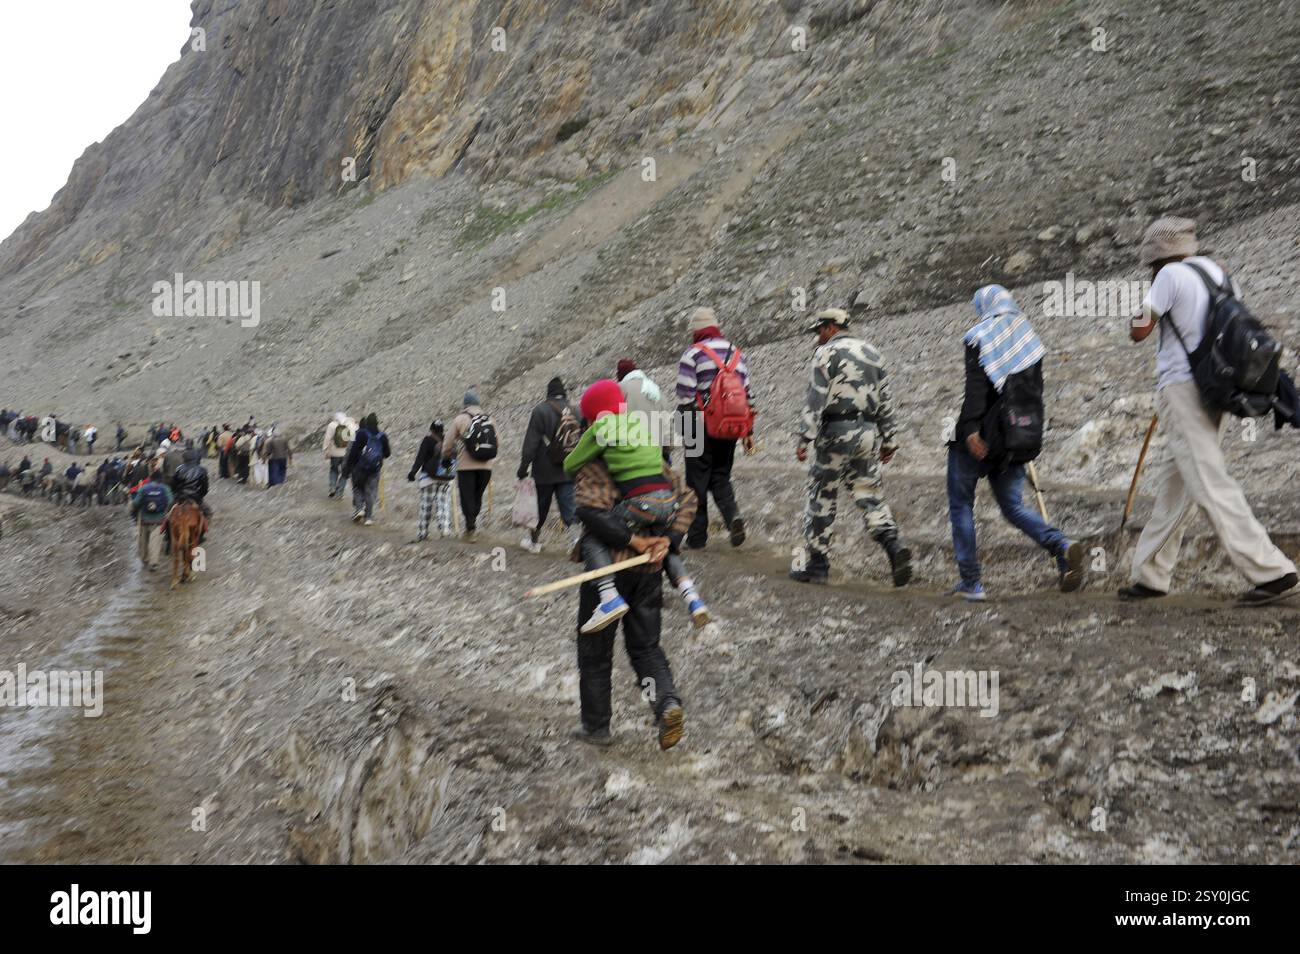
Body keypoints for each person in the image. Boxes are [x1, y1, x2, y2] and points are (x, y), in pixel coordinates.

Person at [1121, 216, 1297, 605]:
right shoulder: (1218, 273)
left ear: (1156, 256)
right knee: (1175, 486)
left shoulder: (1169, 276)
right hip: (1212, 388)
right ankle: (1150, 575)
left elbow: (1138, 330)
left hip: (1182, 389)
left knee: (1209, 482)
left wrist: (1141, 307)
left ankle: (1272, 571)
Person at [947, 287, 1084, 601]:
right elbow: (1031, 395)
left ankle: (971, 582)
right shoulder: (1029, 339)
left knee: (961, 505)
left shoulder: (979, 336)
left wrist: (969, 430)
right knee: (1013, 507)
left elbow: (976, 390)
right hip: (1017, 438)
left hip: (979, 437)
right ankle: (1061, 545)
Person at [569, 439, 696, 750]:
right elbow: (688, 499)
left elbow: (589, 512)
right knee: (645, 649)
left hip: (607, 575)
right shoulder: (653, 463)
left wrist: (633, 541)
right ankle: (665, 704)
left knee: (595, 652)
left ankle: (596, 728)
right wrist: (668, 539)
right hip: (648, 574)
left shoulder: (597, 465)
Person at [565, 379, 710, 632]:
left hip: (640, 504)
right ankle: (692, 596)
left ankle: (609, 597)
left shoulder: (600, 427)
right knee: (661, 538)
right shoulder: (642, 426)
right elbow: (662, 465)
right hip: (666, 501)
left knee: (592, 538)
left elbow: (570, 465)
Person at [790, 308, 912, 587]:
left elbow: (815, 398)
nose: (818, 336)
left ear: (832, 327)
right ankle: (893, 546)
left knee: (822, 495)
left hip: (835, 432)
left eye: (820, 329)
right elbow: (886, 399)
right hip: (868, 434)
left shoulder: (826, 354)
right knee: (869, 494)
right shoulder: (873, 352)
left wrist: (804, 438)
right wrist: (890, 439)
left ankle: (818, 566)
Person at [675, 306, 755, 549]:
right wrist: (748, 432)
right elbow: (747, 396)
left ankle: (697, 538)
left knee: (696, 482)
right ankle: (733, 518)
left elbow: (685, 397)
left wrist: (687, 432)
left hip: (699, 427)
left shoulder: (693, 354)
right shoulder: (736, 354)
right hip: (730, 426)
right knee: (721, 477)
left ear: (696, 331)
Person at [516, 377, 580, 554]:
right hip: (568, 469)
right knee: (569, 507)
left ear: (548, 392)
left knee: (540, 508)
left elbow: (531, 442)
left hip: (544, 471)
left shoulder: (540, 411)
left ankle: (533, 541)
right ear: (564, 392)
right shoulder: (576, 410)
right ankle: (575, 542)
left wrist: (523, 467)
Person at [442, 391, 495, 539]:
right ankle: (472, 523)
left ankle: (470, 527)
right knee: (477, 495)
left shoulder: (460, 419)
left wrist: (446, 456)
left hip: (466, 466)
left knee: (467, 497)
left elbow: (448, 442)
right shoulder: (489, 419)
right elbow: (498, 441)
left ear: (465, 405)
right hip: (486, 466)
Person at [408, 420, 454, 541]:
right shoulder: (448, 441)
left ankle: (423, 533)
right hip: (446, 477)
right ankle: (445, 529)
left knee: (426, 506)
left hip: (429, 478)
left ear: (431, 430)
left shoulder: (427, 440)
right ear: (442, 430)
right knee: (444, 504)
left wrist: (413, 472)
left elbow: (420, 458)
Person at [343, 413, 390, 525]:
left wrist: (349, 467)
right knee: (370, 491)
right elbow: (388, 453)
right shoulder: (382, 436)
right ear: (377, 423)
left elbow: (353, 452)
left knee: (357, 488)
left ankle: (359, 509)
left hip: (360, 468)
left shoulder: (361, 434)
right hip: (375, 469)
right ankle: (369, 517)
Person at [129, 471, 173, 571]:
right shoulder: (165, 488)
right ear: (160, 479)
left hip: (144, 518)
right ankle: (154, 563)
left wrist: (134, 510)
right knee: (155, 540)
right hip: (158, 519)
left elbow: (136, 502)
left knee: (143, 539)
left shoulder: (144, 488)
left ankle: (144, 558)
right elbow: (170, 501)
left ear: (151, 479)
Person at [170, 447, 212, 541]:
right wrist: (200, 496)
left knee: (168, 515)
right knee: (207, 513)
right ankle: (200, 535)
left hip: (180, 497)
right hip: (195, 497)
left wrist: (175, 493)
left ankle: (168, 538)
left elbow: (173, 485)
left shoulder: (179, 468)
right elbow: (205, 488)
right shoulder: (202, 469)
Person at [323, 412, 355, 498]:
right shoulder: (350, 424)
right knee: (345, 473)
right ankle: (339, 493)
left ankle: (332, 488)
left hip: (334, 453)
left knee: (333, 470)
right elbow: (353, 439)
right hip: (346, 454)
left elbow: (327, 438)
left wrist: (325, 449)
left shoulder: (332, 425)